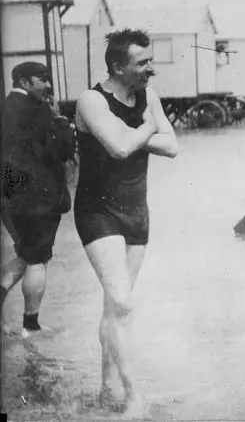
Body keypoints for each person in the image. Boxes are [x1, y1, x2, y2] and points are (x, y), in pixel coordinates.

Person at [73, 28, 178, 415]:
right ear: (118, 66)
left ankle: (105, 387)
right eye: (142, 63)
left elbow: (174, 147)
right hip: (97, 211)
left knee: (114, 309)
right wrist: (150, 126)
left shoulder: (147, 96)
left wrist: (139, 132)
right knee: (122, 302)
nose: (151, 69)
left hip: (136, 211)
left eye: (150, 60)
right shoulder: (91, 101)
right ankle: (134, 395)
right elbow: (118, 148)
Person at [1, 62, 75, 337]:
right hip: (38, 197)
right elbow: (63, 150)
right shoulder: (39, 109)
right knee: (37, 259)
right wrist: (60, 119)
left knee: (25, 251)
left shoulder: (6, 106)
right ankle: (30, 326)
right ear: (23, 81)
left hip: (11, 193)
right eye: (42, 79)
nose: (47, 85)